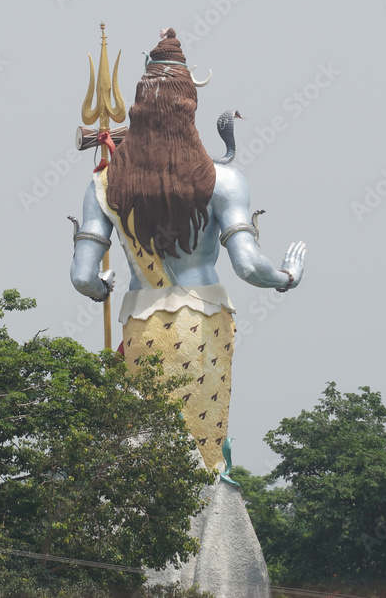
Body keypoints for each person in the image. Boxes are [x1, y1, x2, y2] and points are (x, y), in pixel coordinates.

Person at [70, 28, 305, 470]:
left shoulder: (103, 184)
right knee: (203, 453)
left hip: (141, 324)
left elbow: (83, 276)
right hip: (205, 323)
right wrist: (286, 278)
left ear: (138, 113)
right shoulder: (223, 181)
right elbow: (251, 267)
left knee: (147, 449)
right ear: (188, 109)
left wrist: (101, 288)